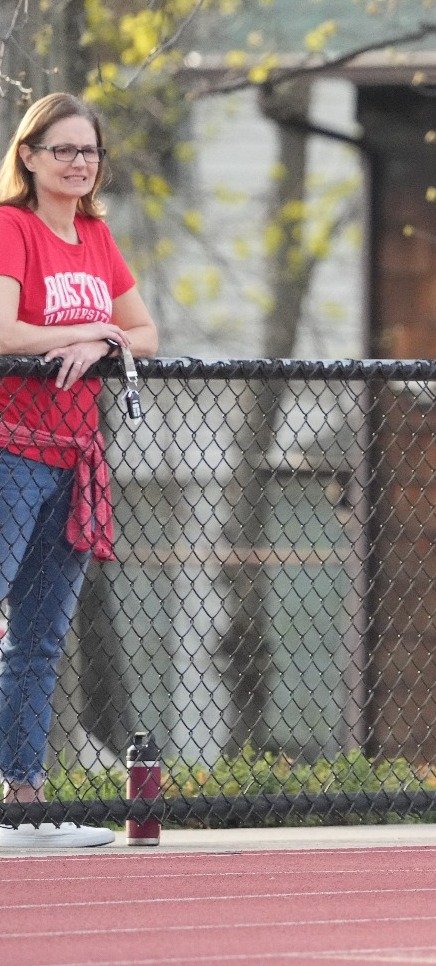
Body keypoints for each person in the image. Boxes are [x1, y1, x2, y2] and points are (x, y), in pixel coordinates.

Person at [0, 93, 158, 847]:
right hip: (9, 449)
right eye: (62, 149)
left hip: (73, 459)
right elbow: (3, 329)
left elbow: (145, 332)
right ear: (28, 155)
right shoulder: (13, 227)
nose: (79, 162)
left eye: (88, 150)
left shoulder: (96, 235)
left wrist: (101, 341)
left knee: (37, 640)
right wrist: (94, 326)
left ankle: (24, 805)